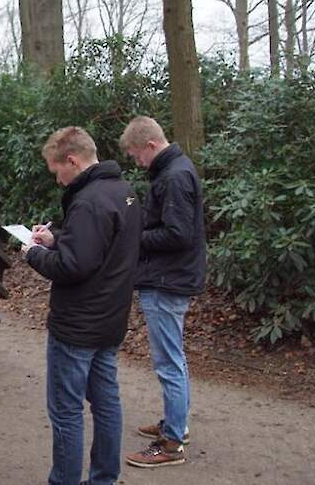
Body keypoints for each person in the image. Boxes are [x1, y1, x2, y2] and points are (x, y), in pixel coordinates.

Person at [24, 126, 142, 485]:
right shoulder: (124, 192)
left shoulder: (88, 201)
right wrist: (58, 238)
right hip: (110, 320)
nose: (58, 180)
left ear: (72, 161)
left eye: (57, 170)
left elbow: (72, 266)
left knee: (66, 410)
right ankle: (104, 477)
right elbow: (101, 249)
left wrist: (35, 254)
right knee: (106, 403)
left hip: (77, 326)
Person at [119, 116, 205, 468]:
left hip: (167, 280)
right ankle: (174, 423)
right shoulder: (175, 171)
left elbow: (178, 234)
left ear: (151, 146)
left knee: (169, 361)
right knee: (173, 358)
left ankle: (171, 445)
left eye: (138, 156)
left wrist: (133, 239)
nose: (138, 163)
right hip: (171, 276)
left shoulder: (173, 177)